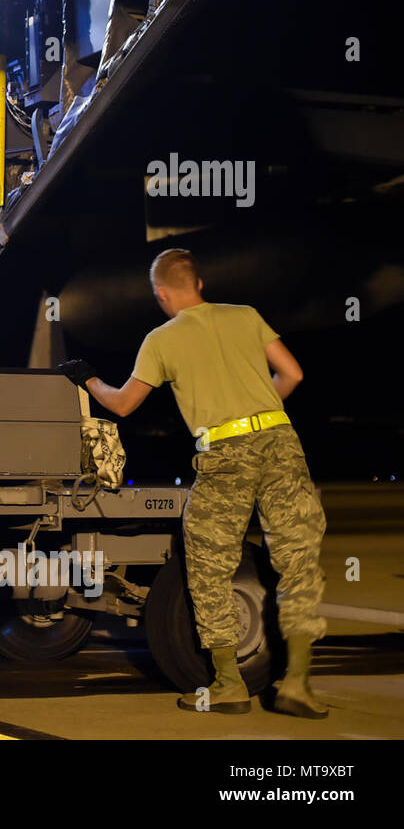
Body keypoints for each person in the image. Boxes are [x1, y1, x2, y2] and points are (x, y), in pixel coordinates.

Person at [58, 248, 328, 718]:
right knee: (298, 561)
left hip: (225, 454)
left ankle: (229, 684)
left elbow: (122, 405)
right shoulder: (246, 316)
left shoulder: (161, 339)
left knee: (208, 567)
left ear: (161, 294)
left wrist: (89, 380)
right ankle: (298, 685)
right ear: (199, 284)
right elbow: (293, 373)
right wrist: (261, 412)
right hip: (281, 442)